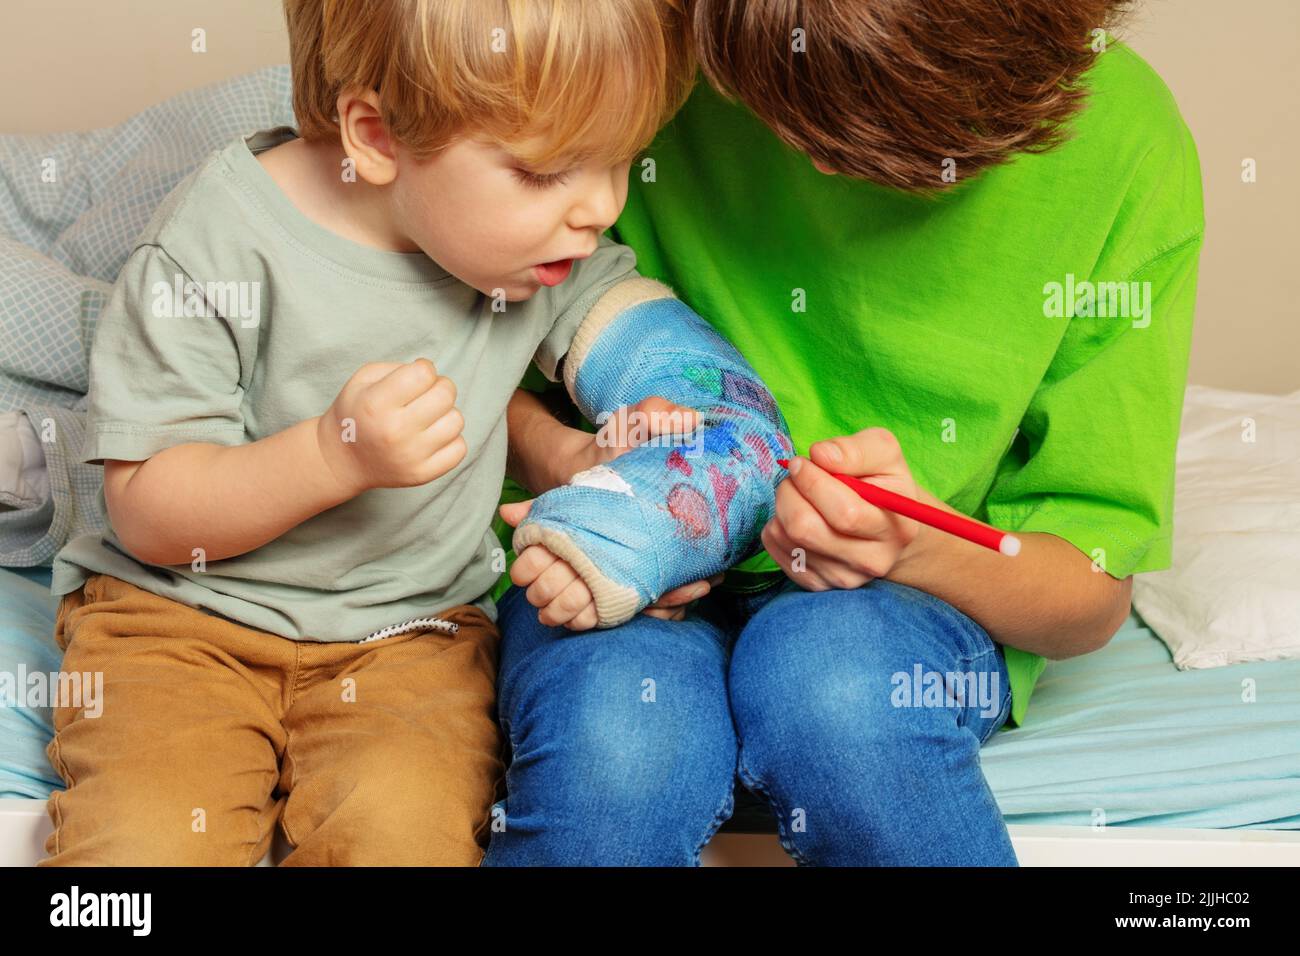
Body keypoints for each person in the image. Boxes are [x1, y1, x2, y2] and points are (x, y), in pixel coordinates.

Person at [41, 0, 776, 865]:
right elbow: (149, 511)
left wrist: (613, 443)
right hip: (180, 624)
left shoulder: (529, 249)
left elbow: (674, 366)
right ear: (378, 136)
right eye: (547, 171)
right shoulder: (215, 247)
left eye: (620, 160)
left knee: (406, 837)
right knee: (138, 845)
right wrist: (331, 455)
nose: (599, 207)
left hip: (411, 641)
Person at [489, 0, 1204, 865]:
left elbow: (1089, 594)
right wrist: (568, 465)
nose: (827, 169)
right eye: (797, 123)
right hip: (616, 566)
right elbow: (445, 356)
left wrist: (914, 549)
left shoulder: (1123, 144)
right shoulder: (626, 49)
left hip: (896, 623)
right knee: (620, 742)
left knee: (833, 689)